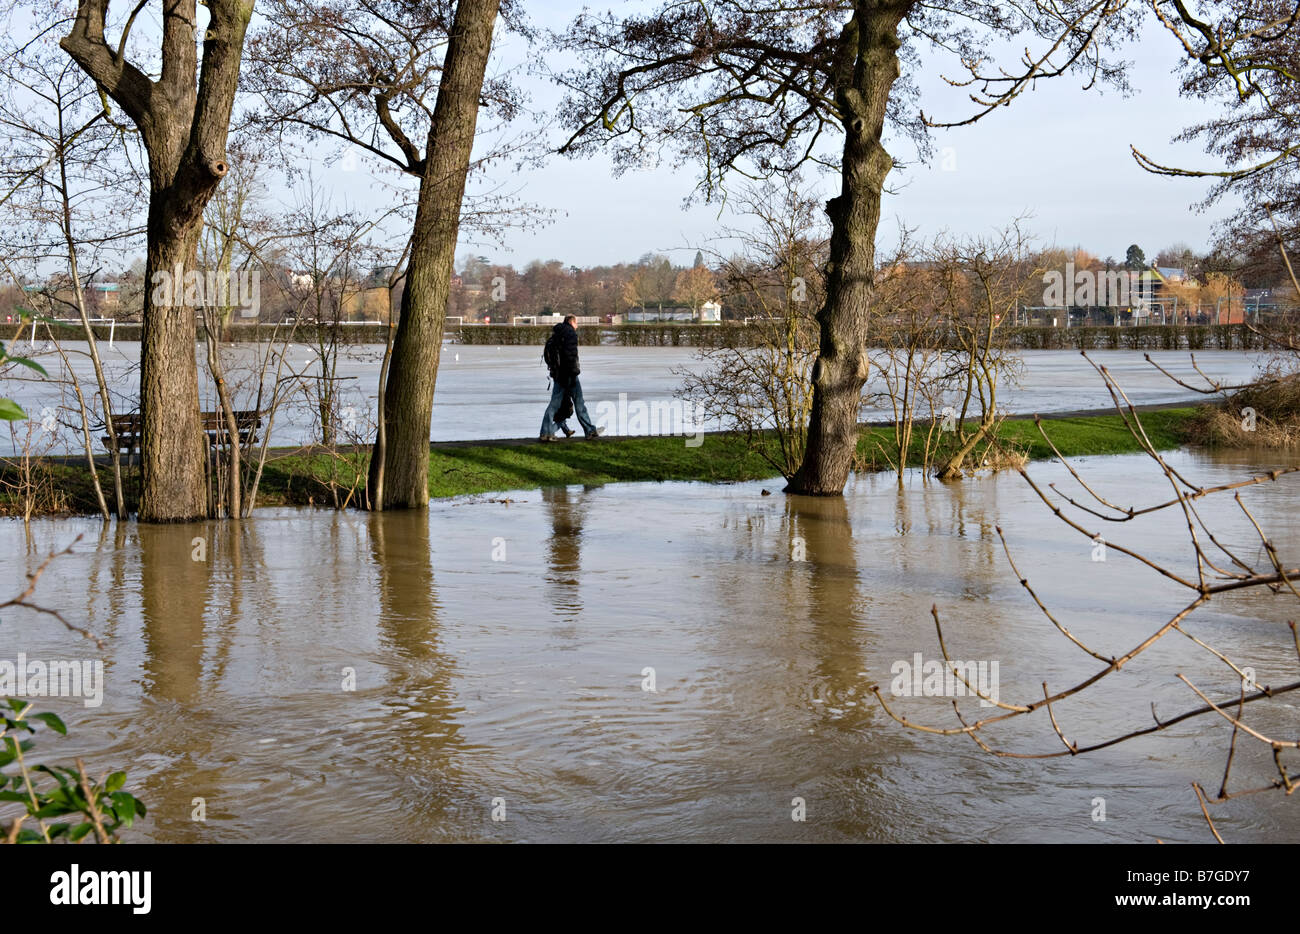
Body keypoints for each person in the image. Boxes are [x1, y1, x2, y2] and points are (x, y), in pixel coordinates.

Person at [540, 315, 601, 442]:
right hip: (569, 374)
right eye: (576, 322)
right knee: (579, 403)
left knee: (554, 405)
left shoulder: (557, 334)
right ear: (572, 322)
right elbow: (570, 355)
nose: (577, 325)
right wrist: (574, 372)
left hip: (558, 374)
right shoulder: (570, 334)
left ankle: (545, 432)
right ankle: (590, 430)